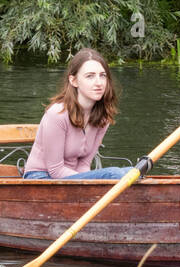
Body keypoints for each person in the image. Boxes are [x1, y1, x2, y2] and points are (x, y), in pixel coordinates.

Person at [23, 48, 129, 180]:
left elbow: (84, 165)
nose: (99, 83)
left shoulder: (103, 118)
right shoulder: (57, 114)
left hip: (73, 179)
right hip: (40, 178)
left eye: (102, 75)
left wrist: (87, 183)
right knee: (115, 174)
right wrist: (91, 181)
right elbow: (55, 170)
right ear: (74, 81)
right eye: (90, 76)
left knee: (132, 172)